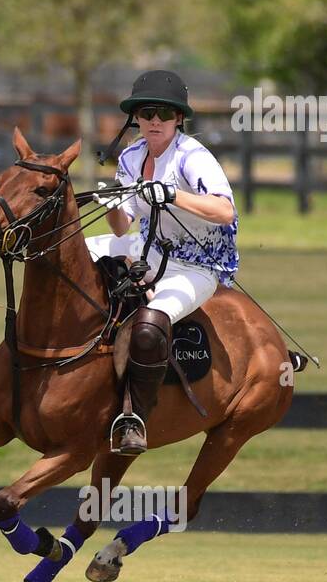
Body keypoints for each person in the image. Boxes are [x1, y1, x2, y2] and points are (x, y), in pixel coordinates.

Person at [85, 69, 239, 454]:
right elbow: (123, 226)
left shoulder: (192, 157)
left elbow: (224, 211)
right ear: (135, 116)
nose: (155, 120)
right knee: (73, 257)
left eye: (165, 114)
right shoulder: (133, 155)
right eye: (147, 111)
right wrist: (114, 206)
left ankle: (133, 416)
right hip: (147, 249)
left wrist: (172, 194)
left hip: (198, 266)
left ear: (179, 119)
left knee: (151, 323)